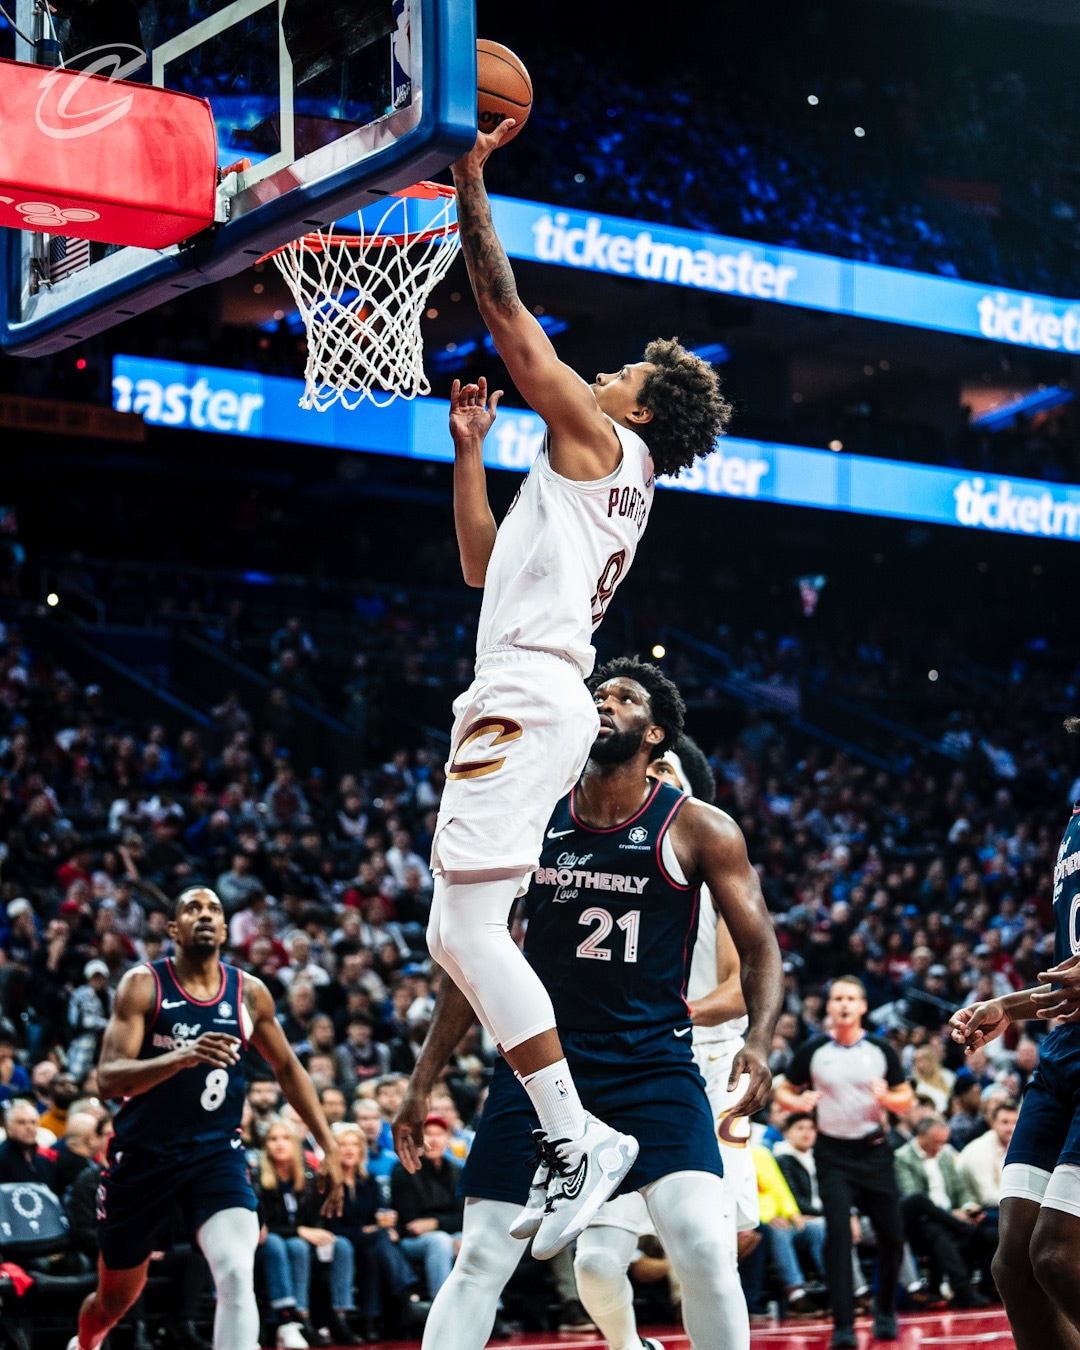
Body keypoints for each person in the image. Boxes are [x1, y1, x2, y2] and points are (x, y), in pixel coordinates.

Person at [424, 115, 731, 1256]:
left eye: (620, 375)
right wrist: (467, 457)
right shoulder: (589, 474)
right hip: (525, 685)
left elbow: (507, 317)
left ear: (640, 409)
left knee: (463, 922)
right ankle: (573, 1135)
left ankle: (575, 1135)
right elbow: (476, 565)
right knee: (455, 931)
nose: (600, 376)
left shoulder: (606, 442)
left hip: (529, 693)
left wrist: (469, 182)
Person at [395, 657, 782, 1350]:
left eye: (624, 697)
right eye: (596, 694)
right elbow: (474, 957)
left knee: (701, 1246)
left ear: (656, 733)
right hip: (544, 1067)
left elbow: (761, 949)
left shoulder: (700, 827)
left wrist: (759, 1042)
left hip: (653, 1066)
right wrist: (423, 1079)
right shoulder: (532, 816)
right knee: (481, 1256)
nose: (604, 702)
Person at [68, 886, 343, 1350]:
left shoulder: (249, 993)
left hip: (215, 1155)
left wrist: (328, 1145)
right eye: (192, 908)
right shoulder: (143, 984)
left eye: (214, 909)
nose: (205, 915)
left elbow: (288, 1068)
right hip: (142, 1159)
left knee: (236, 1271)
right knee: (112, 1302)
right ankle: (86, 1343)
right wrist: (180, 1057)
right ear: (173, 928)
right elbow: (108, 1080)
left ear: (224, 928)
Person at [949, 742, 1080, 1350]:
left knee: (1059, 1255)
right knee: (1014, 1266)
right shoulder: (1074, 822)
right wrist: (1011, 1004)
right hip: (1064, 1050)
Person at [774, 976, 913, 1348]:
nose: (845, 1004)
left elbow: (906, 1097)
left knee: (893, 1236)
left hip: (875, 1150)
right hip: (833, 1153)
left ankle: (884, 1310)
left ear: (863, 1006)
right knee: (838, 1234)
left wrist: (890, 1097)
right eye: (838, 998)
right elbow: (784, 1087)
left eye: (851, 998)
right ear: (829, 1006)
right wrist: (795, 1103)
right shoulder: (814, 1050)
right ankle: (844, 1324)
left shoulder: (880, 1050)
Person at [255, 1121, 358, 1348]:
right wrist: (300, 1231)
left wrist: (315, 1231)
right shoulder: (258, 1177)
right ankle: (299, 1317)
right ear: (266, 1146)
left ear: (295, 1144)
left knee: (342, 1245)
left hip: (301, 1240)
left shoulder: (309, 1177)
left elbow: (316, 1219)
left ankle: (340, 1315)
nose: (280, 1144)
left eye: (285, 1138)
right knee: (296, 1246)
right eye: (273, 1139)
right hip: (274, 1243)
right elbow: (262, 1226)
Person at [328, 1121, 418, 1344]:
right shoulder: (327, 1182)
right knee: (379, 1240)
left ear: (361, 1149)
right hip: (341, 1241)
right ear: (333, 1149)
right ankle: (405, 1293)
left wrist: (387, 1226)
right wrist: (371, 1230)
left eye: (354, 1144)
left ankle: (370, 1321)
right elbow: (328, 1225)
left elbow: (377, 1216)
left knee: (376, 1249)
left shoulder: (367, 1181)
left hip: (369, 1243)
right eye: (343, 1144)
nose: (349, 1150)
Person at [893, 1115, 995, 1307]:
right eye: (935, 1142)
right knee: (936, 1228)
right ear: (921, 1135)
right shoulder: (902, 1158)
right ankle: (963, 1290)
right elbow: (912, 1199)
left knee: (985, 1222)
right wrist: (950, 1214)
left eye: (943, 1142)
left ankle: (986, 1285)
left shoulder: (946, 1155)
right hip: (919, 1223)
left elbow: (960, 1190)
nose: (939, 1146)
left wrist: (968, 1208)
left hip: (948, 1218)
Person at [389, 1114, 465, 1299]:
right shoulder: (404, 1171)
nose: (433, 1140)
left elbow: (463, 1216)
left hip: (447, 1233)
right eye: (427, 1134)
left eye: (439, 1134)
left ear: (448, 1139)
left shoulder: (457, 1170)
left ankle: (493, 1309)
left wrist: (435, 1222)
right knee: (439, 1241)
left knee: (472, 1240)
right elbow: (411, 1223)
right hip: (411, 1241)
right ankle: (441, 1306)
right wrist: (441, 1227)